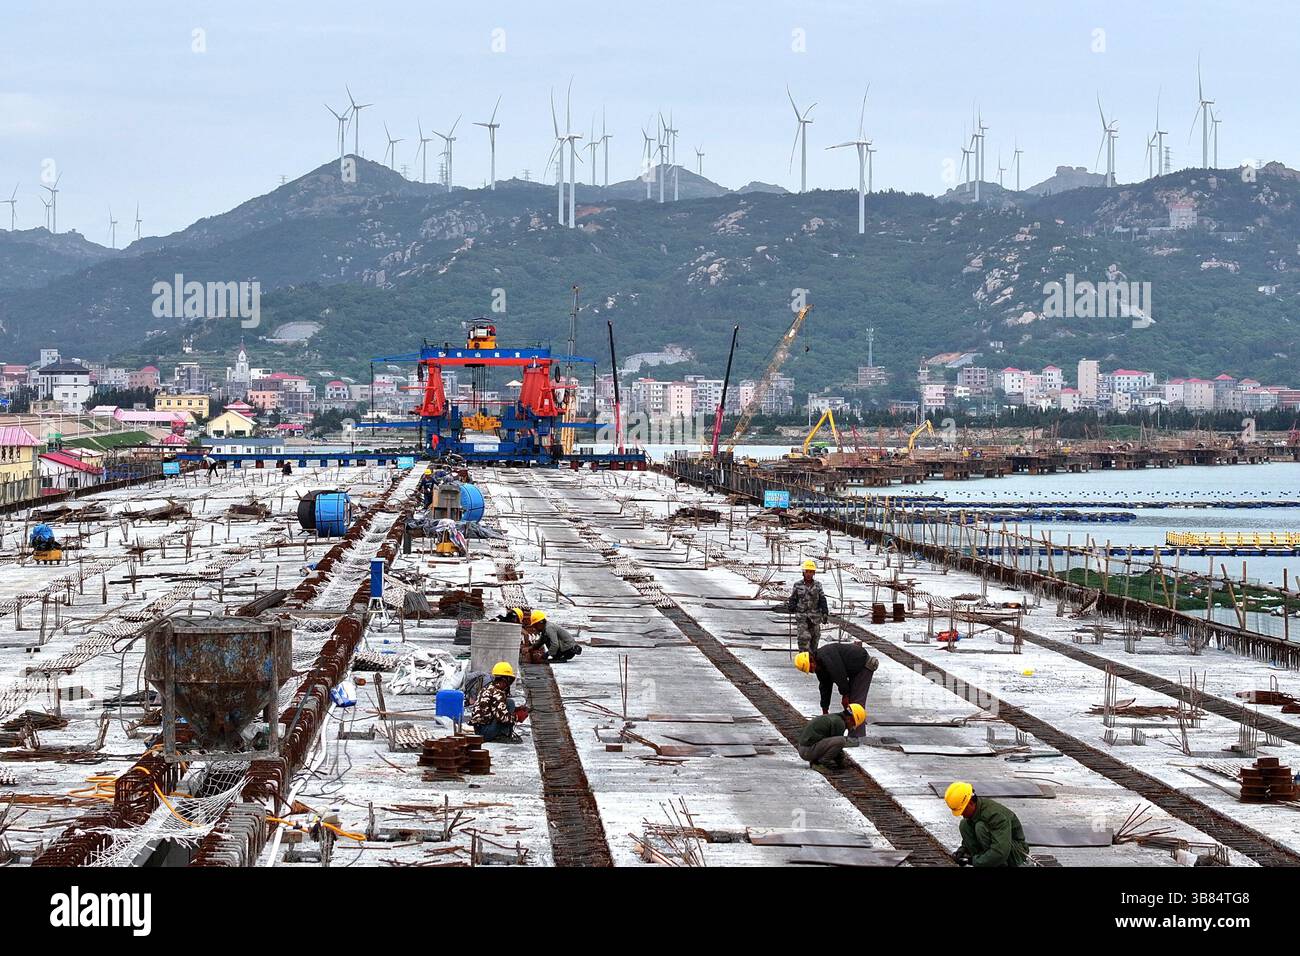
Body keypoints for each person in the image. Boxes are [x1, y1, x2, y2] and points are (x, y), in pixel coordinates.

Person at [795, 643, 879, 742]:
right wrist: (825, 710)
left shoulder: (827, 657)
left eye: (810, 668)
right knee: (851, 703)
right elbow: (825, 686)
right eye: (809, 671)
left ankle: (856, 736)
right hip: (853, 669)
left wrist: (845, 695)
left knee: (855, 703)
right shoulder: (819, 665)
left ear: (811, 659)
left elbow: (839, 675)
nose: (811, 671)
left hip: (863, 666)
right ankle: (853, 733)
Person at [944, 781, 1029, 867]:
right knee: (964, 825)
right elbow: (971, 837)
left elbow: (1000, 852)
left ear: (971, 803)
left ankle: (992, 864)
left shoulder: (996, 816)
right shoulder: (975, 811)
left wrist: (974, 861)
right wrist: (962, 851)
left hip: (1015, 853)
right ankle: (984, 861)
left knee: (980, 827)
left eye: (962, 810)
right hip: (999, 850)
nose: (961, 814)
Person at [467, 661, 525, 743]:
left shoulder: (488, 688)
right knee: (510, 703)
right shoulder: (497, 693)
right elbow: (502, 718)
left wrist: (517, 709)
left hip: (479, 729)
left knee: (509, 703)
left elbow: (495, 708)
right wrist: (517, 717)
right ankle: (502, 735)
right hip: (485, 733)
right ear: (505, 679)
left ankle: (501, 734)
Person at [797, 704, 866, 769]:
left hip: (805, 748)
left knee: (838, 741)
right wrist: (842, 763)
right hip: (807, 751)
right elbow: (837, 747)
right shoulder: (839, 723)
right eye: (853, 724)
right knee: (841, 741)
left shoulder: (835, 717)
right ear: (850, 719)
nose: (852, 728)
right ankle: (819, 764)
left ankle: (817, 760)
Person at [787, 559, 829, 654]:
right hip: (802, 617)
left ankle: (813, 660)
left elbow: (822, 599)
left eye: (811, 572)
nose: (809, 574)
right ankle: (804, 659)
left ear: (814, 573)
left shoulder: (818, 585)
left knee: (815, 640)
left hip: (815, 617)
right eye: (807, 572)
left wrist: (825, 612)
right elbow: (793, 598)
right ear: (803, 572)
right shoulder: (797, 585)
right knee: (803, 639)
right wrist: (791, 605)